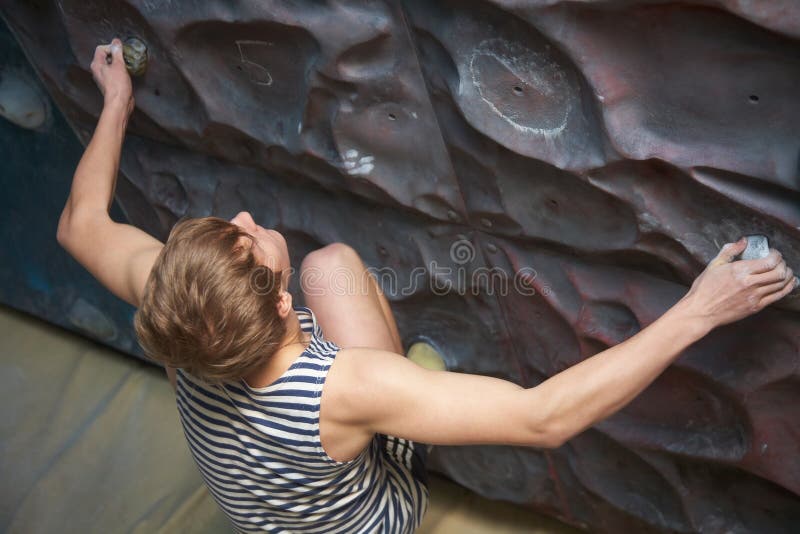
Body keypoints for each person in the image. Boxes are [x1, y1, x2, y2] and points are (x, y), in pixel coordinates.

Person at [56, 39, 797, 533]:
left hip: (261, 503)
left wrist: (116, 101)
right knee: (382, 367)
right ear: (278, 305)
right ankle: (413, 408)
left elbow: (81, 225)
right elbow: (542, 419)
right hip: (355, 518)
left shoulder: (178, 308)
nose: (247, 215)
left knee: (332, 265)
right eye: (249, 234)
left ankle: (404, 400)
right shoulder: (339, 390)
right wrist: (701, 308)